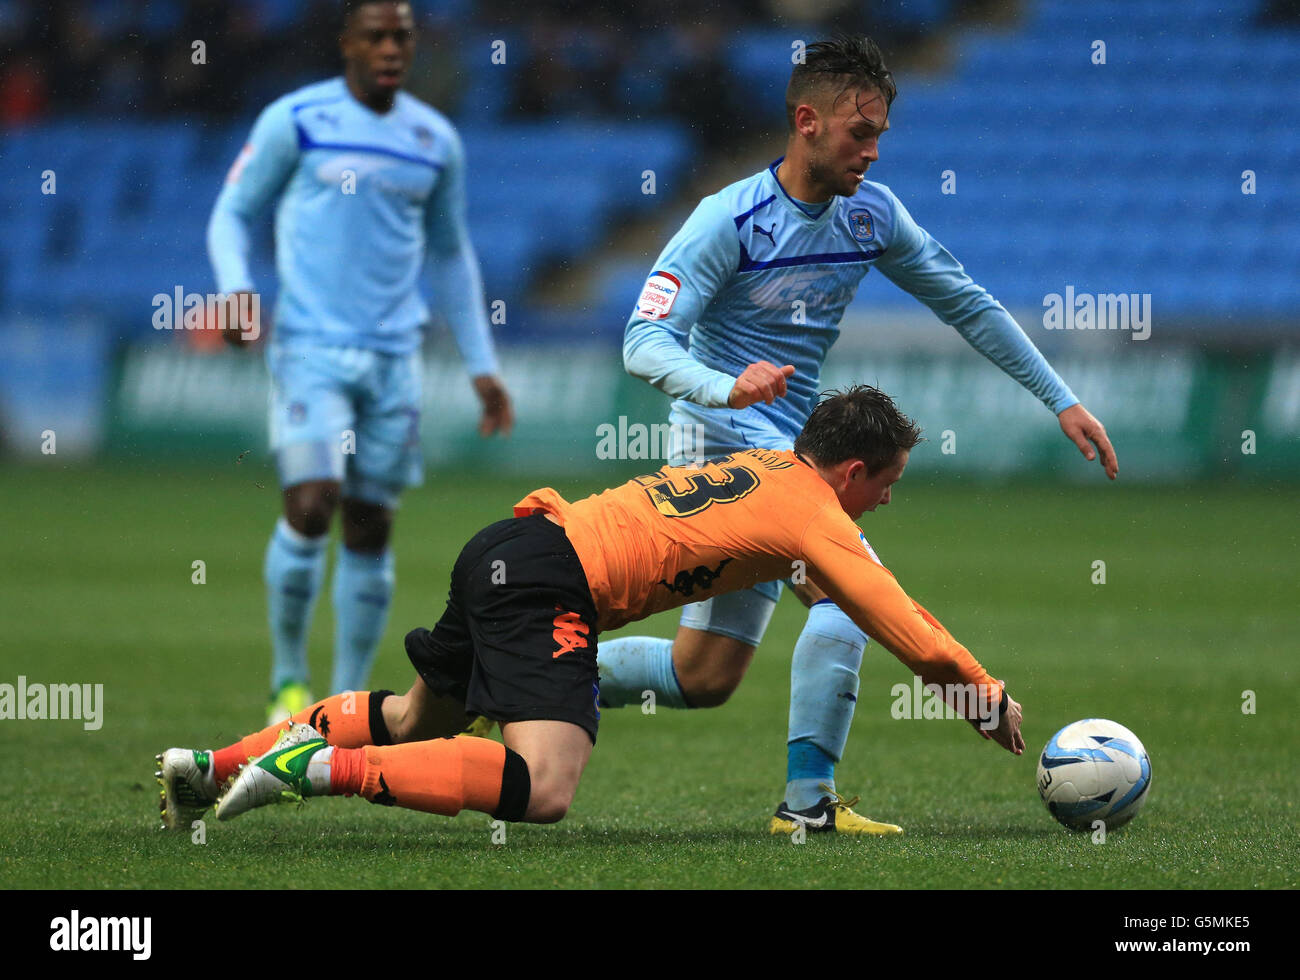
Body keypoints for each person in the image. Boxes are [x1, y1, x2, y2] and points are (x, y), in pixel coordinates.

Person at [598, 34, 1115, 835]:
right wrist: (724, 385)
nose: (873, 152)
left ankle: (528, 673)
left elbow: (966, 301)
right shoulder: (725, 222)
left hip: (794, 449)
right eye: (859, 133)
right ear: (807, 121)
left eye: (880, 135)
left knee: (703, 677)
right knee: (847, 595)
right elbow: (643, 340)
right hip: (721, 445)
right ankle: (807, 809)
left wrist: (1061, 398)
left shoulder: (872, 216)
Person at [156, 386, 1025, 833]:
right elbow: (900, 620)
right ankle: (316, 770)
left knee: (421, 715)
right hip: (551, 586)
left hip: (511, 545)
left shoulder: (769, 468)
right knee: (542, 790)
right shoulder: (815, 512)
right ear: (853, 473)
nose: (885, 503)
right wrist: (980, 691)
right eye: (888, 485)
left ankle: (212, 763)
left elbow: (774, 559)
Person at [205, 0, 513, 724]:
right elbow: (232, 211)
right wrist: (237, 291)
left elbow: (449, 252)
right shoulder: (297, 120)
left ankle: (338, 699)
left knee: (371, 522)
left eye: (401, 36)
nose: (389, 48)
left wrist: (481, 362)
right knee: (313, 504)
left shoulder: (433, 138)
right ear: (346, 42)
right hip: (309, 348)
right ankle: (287, 679)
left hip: (394, 358)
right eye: (374, 35)